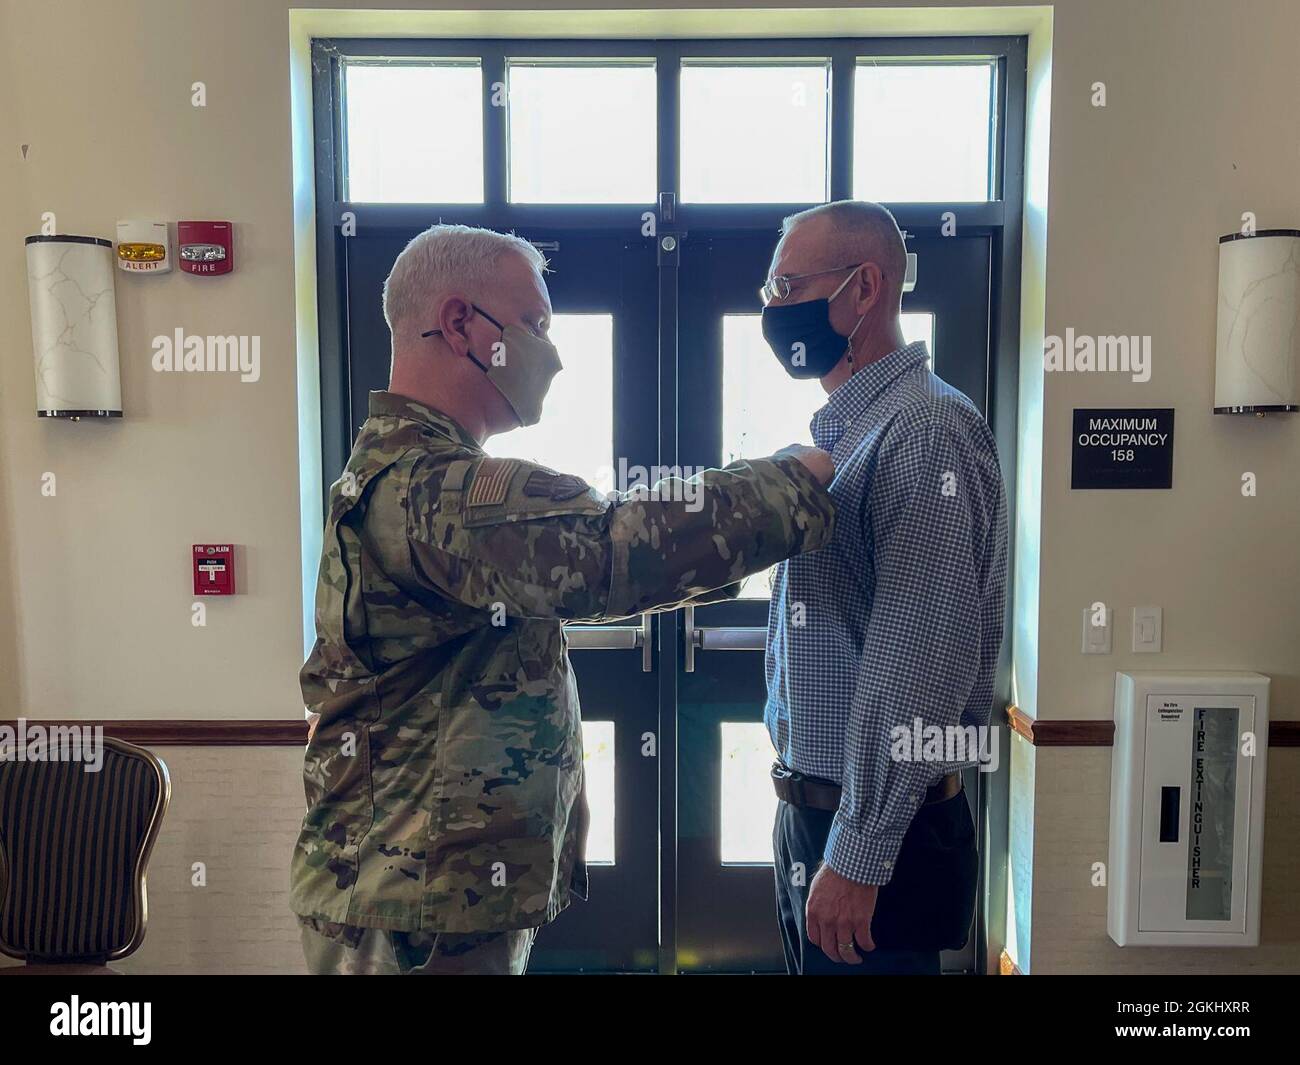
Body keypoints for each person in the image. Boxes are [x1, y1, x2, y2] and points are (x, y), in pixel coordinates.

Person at [291, 222, 836, 974]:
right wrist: (796, 481)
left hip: (429, 895)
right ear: (459, 325)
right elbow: (614, 544)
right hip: (412, 911)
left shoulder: (418, 474)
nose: (552, 352)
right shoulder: (430, 490)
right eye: (537, 325)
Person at [760, 201, 1008, 975]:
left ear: (863, 290)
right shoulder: (850, 435)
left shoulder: (924, 429)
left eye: (786, 284)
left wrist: (860, 853)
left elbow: (920, 661)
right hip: (821, 818)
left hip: (879, 840)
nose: (771, 306)